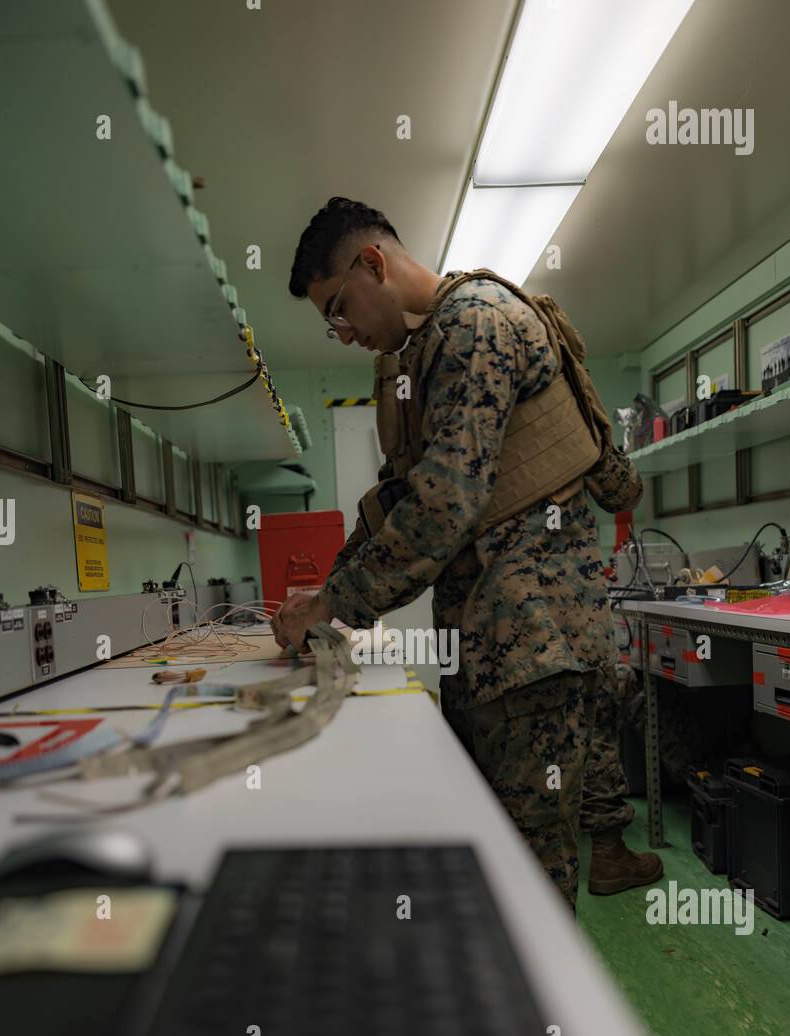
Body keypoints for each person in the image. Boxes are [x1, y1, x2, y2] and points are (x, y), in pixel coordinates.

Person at [273, 196, 660, 907]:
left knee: (527, 881)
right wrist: (322, 595)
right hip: (489, 650)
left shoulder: (475, 324)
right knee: (494, 866)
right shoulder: (420, 354)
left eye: (337, 308)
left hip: (533, 648)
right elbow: (400, 495)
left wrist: (334, 603)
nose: (339, 332)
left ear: (372, 263)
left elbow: (445, 503)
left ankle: (540, 1019)